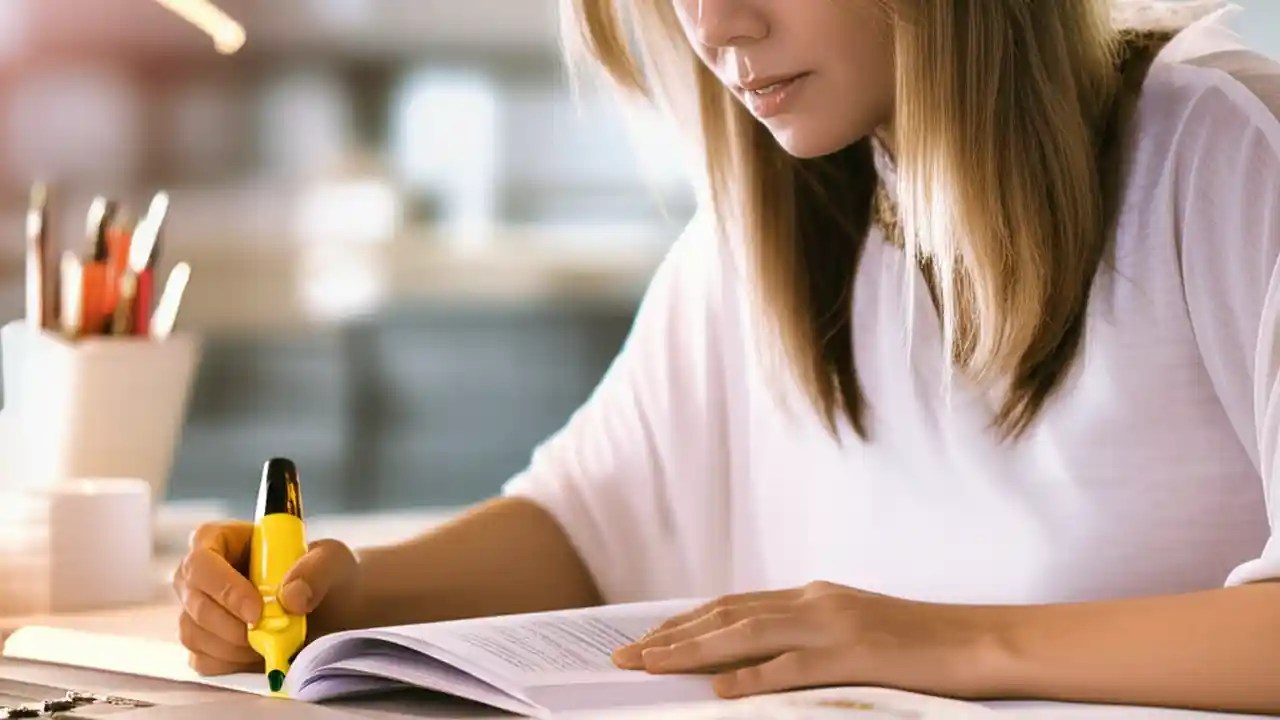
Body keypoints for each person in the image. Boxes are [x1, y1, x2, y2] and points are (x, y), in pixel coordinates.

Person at [173, 0, 1280, 713]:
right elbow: (591, 526)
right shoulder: (773, 221)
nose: (713, 26)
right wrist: (338, 594)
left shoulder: (1224, 146)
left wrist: (930, 643)